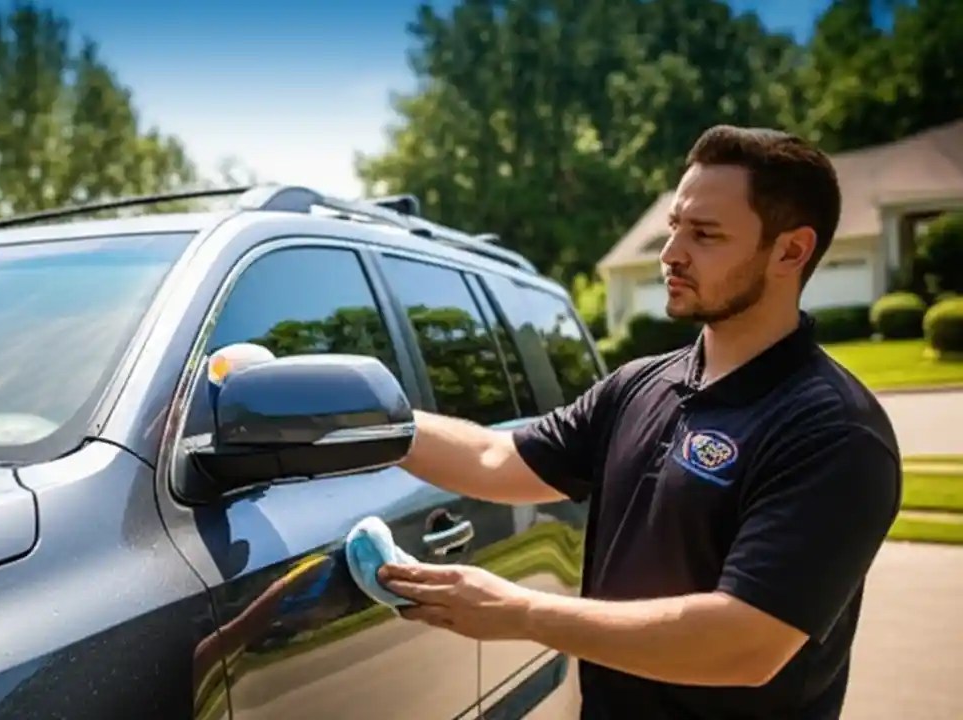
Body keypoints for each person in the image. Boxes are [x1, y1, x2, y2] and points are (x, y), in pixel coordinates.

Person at [378, 125, 902, 720]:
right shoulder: (639, 386)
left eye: (704, 234)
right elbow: (495, 460)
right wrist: (366, 418)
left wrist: (521, 613)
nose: (671, 253)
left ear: (790, 251)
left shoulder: (834, 432)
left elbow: (746, 643)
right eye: (674, 226)